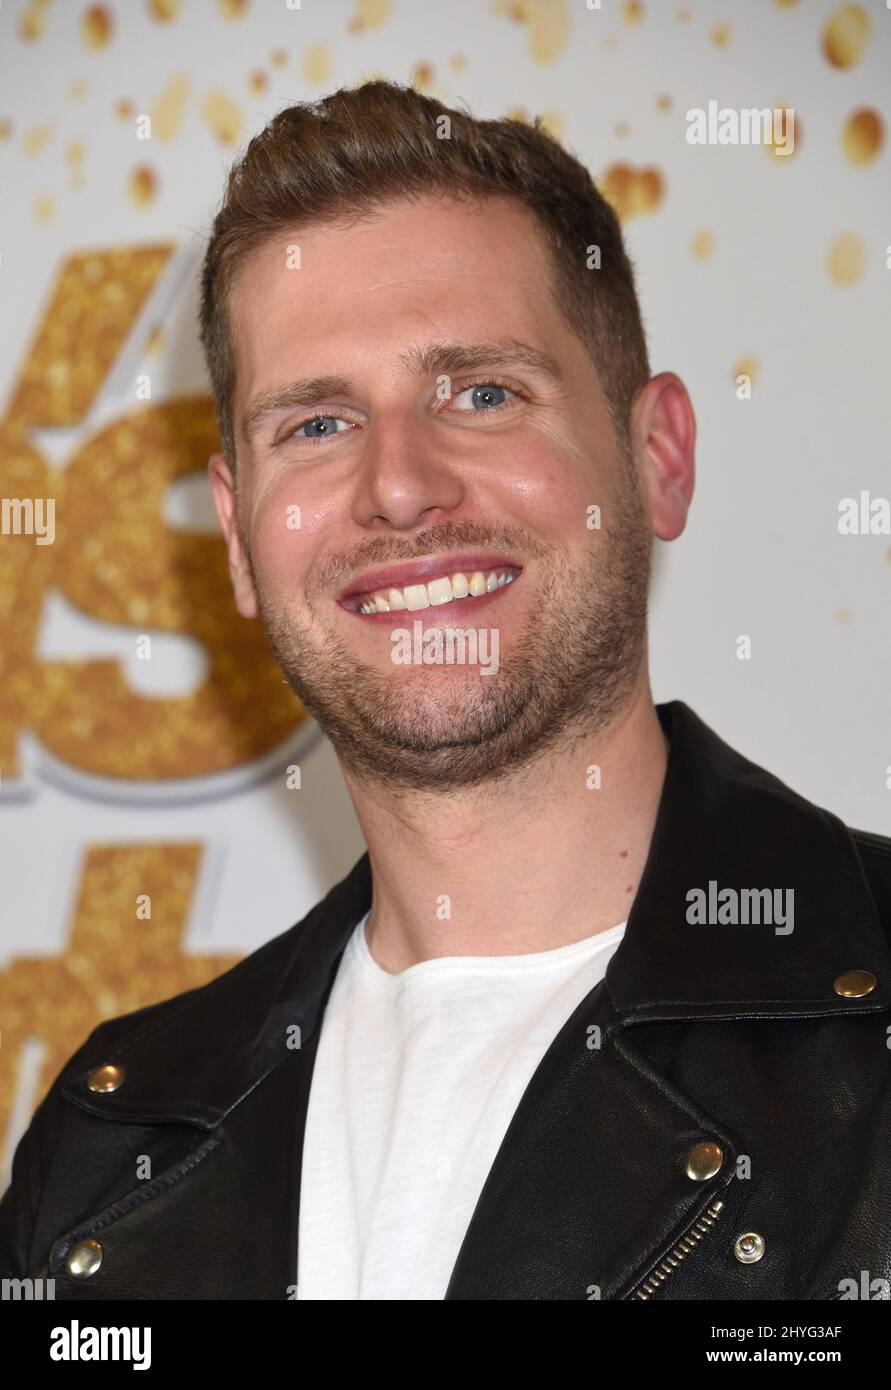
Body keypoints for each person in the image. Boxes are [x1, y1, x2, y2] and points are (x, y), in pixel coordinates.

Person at [2, 79, 890, 1302]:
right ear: (238, 536)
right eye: (316, 424)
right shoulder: (108, 1150)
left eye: (481, 394)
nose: (401, 487)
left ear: (657, 458)